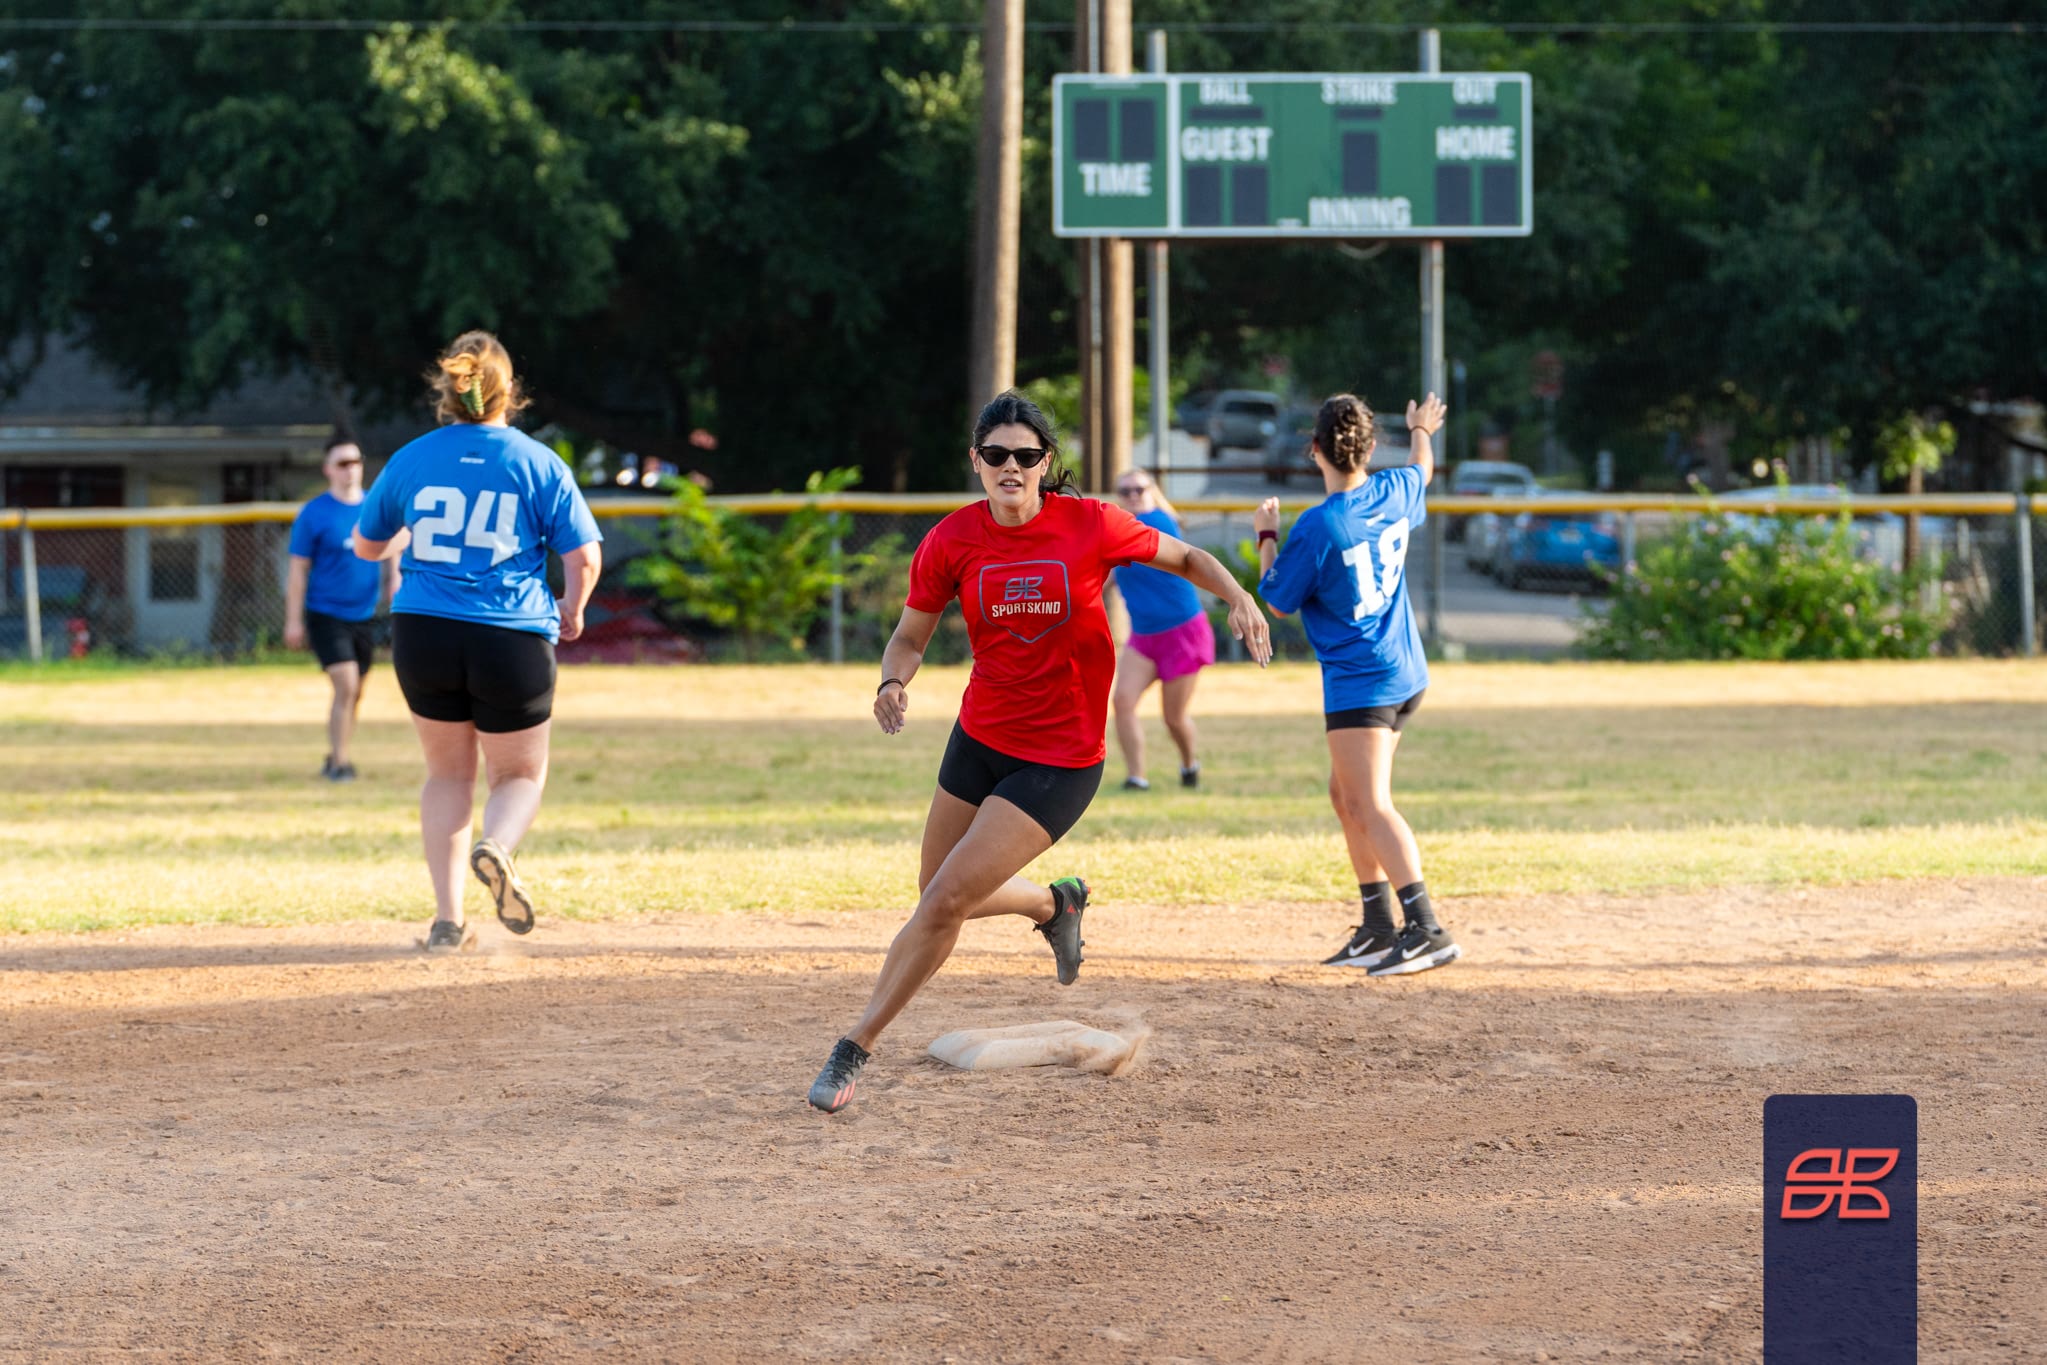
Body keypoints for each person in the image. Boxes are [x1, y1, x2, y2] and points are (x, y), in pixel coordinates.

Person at [807, 392, 1272, 1113]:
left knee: (942, 903)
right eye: (995, 455)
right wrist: (893, 679)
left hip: (1059, 758)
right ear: (976, 461)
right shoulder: (952, 540)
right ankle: (1057, 904)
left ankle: (855, 1044)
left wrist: (1236, 592)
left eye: (1025, 455)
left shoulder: (1089, 523)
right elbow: (909, 635)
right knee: (936, 893)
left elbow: (1185, 555)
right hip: (979, 739)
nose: (1010, 467)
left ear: (1045, 463)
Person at [353, 332, 603, 953]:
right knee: (517, 773)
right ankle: (498, 846)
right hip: (509, 634)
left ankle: (446, 921)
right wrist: (572, 607)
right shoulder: (536, 461)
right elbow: (585, 556)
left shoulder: (412, 457)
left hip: (424, 631)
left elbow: (367, 545)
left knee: (446, 774)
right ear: (509, 393)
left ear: (447, 391)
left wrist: (400, 541)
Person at [1253, 392, 1461, 977]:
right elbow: (1421, 466)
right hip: (1401, 670)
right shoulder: (1395, 488)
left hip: (1361, 681)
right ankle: (1376, 926)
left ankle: (1426, 928)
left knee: (1369, 803)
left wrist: (1266, 536)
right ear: (1370, 448)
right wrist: (1422, 428)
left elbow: (1278, 601)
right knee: (1346, 797)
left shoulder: (1319, 525)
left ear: (1313, 449)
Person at [284, 437, 400, 781]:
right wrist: (293, 621)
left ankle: (337, 751)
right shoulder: (315, 513)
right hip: (326, 613)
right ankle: (340, 762)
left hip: (363, 613)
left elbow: (393, 546)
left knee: (356, 691)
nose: (351, 469)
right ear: (328, 470)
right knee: (346, 685)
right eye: (342, 463)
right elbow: (297, 570)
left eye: (355, 461)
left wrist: (395, 580)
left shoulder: (373, 508)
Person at [1109, 468, 1216, 791]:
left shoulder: (1159, 523)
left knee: (1173, 718)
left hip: (1182, 633)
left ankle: (1189, 764)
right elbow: (1107, 575)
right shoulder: (1120, 532)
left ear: (1151, 491)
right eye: (1125, 491)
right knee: (1123, 702)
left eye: (1138, 490)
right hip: (1144, 636)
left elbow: (1120, 553)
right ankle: (1136, 777)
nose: (1132, 496)